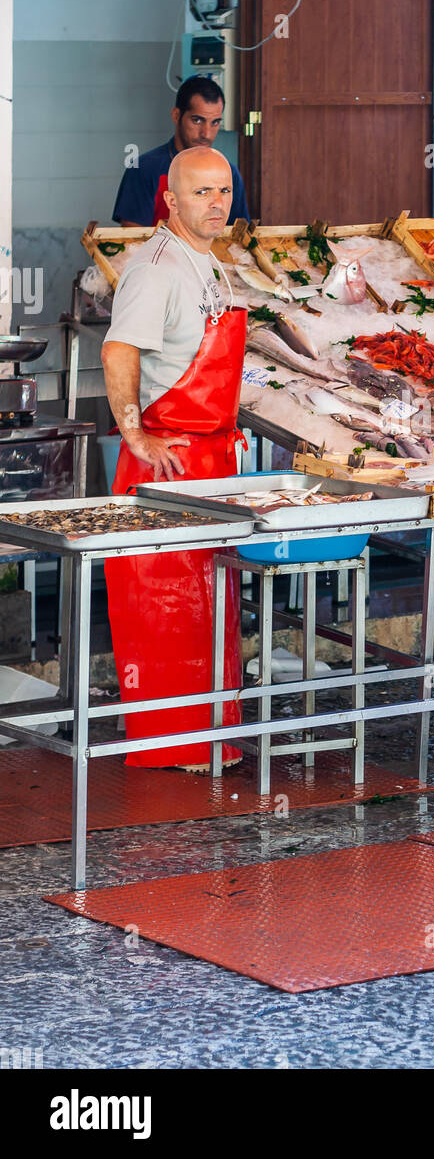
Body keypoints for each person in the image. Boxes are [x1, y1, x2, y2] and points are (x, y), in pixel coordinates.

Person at [101, 145, 247, 772]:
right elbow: (118, 353)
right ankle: (172, 744)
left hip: (212, 460)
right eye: (202, 193)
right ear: (170, 198)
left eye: (224, 191)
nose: (217, 204)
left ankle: (210, 734)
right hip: (168, 465)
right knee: (167, 612)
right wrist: (136, 437)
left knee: (210, 606)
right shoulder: (155, 266)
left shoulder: (209, 262)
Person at [112, 75, 250, 228]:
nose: (207, 134)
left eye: (215, 122)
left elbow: (238, 237)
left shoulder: (228, 173)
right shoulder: (143, 169)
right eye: (197, 120)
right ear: (176, 115)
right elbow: (132, 241)